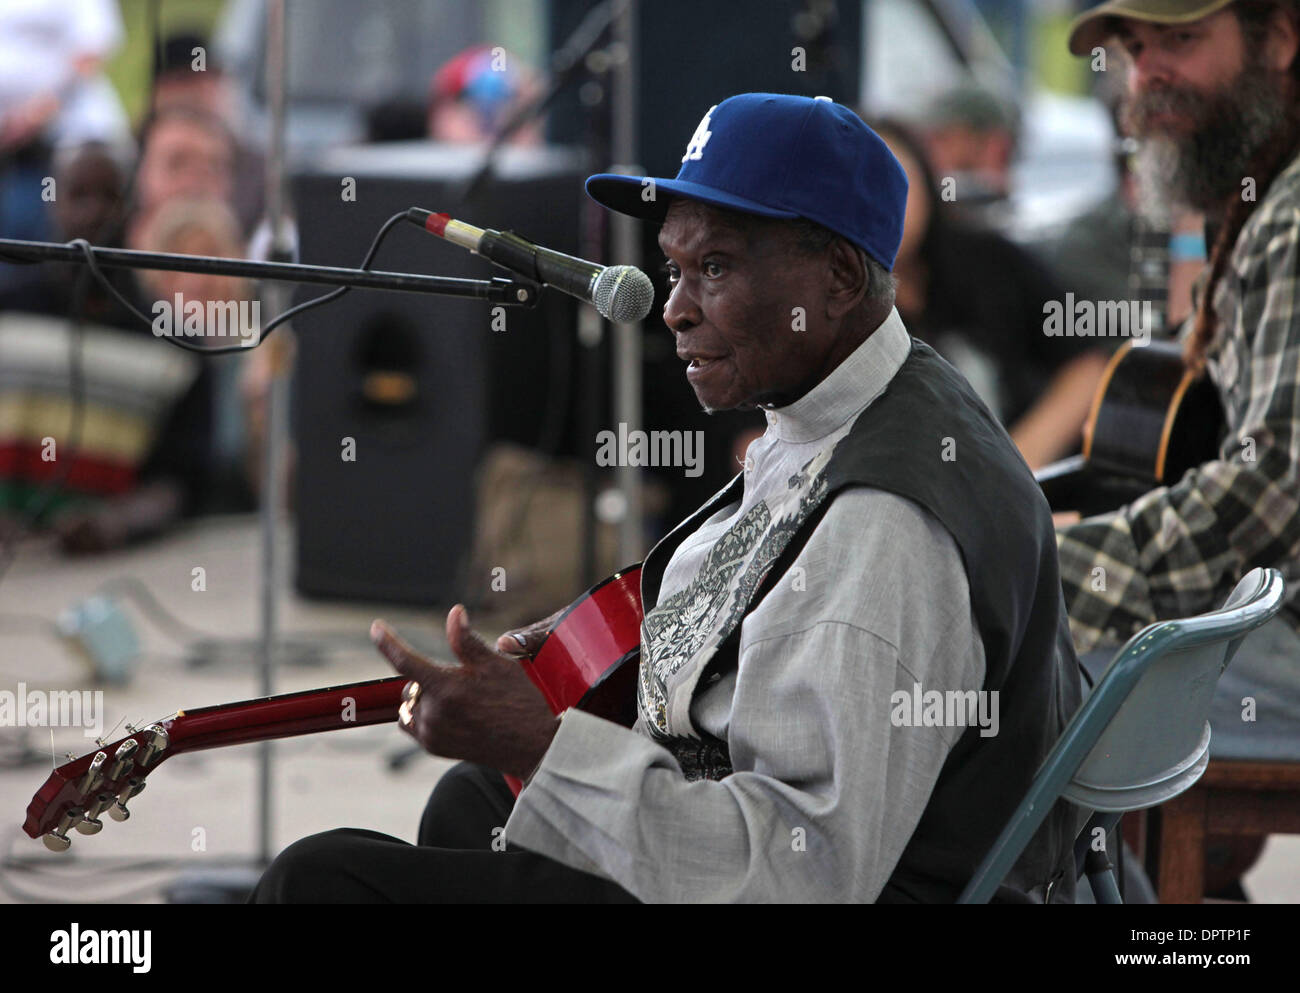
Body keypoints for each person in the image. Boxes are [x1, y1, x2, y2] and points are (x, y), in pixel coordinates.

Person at [251, 93, 1083, 904]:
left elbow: (808, 873)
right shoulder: (872, 395)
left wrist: (545, 743)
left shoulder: (887, 525)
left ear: (835, 276)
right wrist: (615, 651)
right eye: (674, 269)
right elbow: (770, 599)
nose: (675, 310)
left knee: (320, 879)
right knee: (476, 801)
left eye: (715, 267)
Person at [1059, 0, 1300, 896]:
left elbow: (1272, 491)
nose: (1147, 71)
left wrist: (1045, 566)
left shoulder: (1292, 215)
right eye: (1133, 47)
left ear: (1279, 38)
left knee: (1024, 685)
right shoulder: (1259, 207)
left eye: (1182, 40)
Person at [868, 117, 1109, 470]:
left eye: (895, 182)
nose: (882, 204)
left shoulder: (989, 259)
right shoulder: (817, 308)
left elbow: (1090, 360)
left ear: (925, 180)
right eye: (861, 188)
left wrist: (1015, 471)